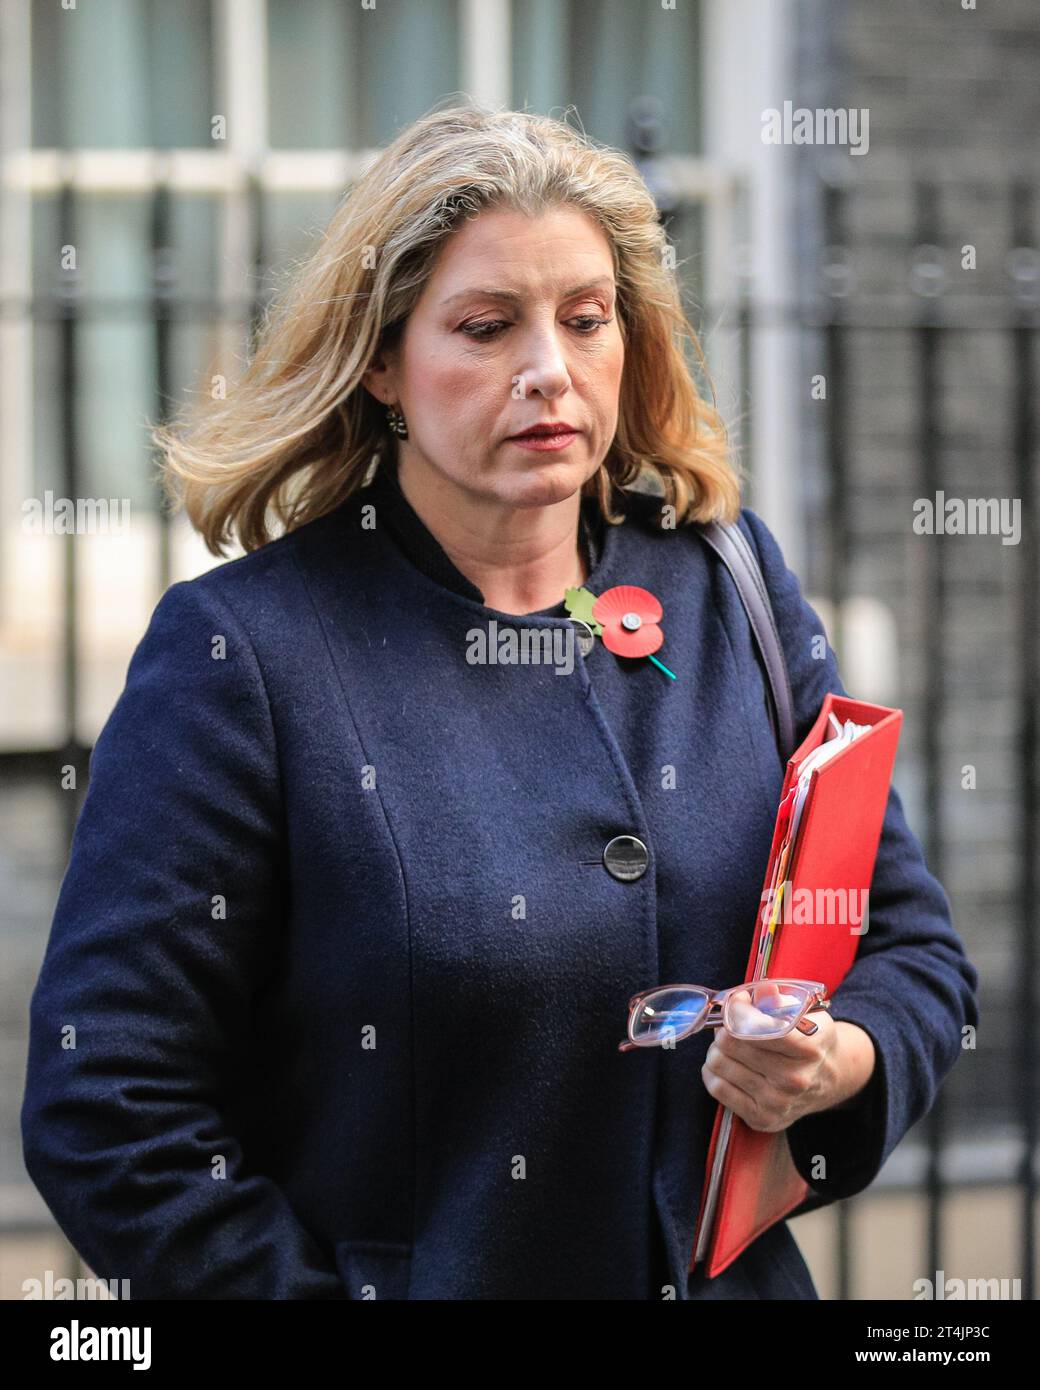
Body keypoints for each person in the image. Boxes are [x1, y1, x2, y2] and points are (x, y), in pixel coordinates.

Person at [21, 100, 979, 1301]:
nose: (548, 371)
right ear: (380, 361)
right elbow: (107, 1104)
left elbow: (911, 951)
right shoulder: (244, 654)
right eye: (485, 327)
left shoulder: (730, 583)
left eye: (585, 318)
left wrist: (833, 1061)